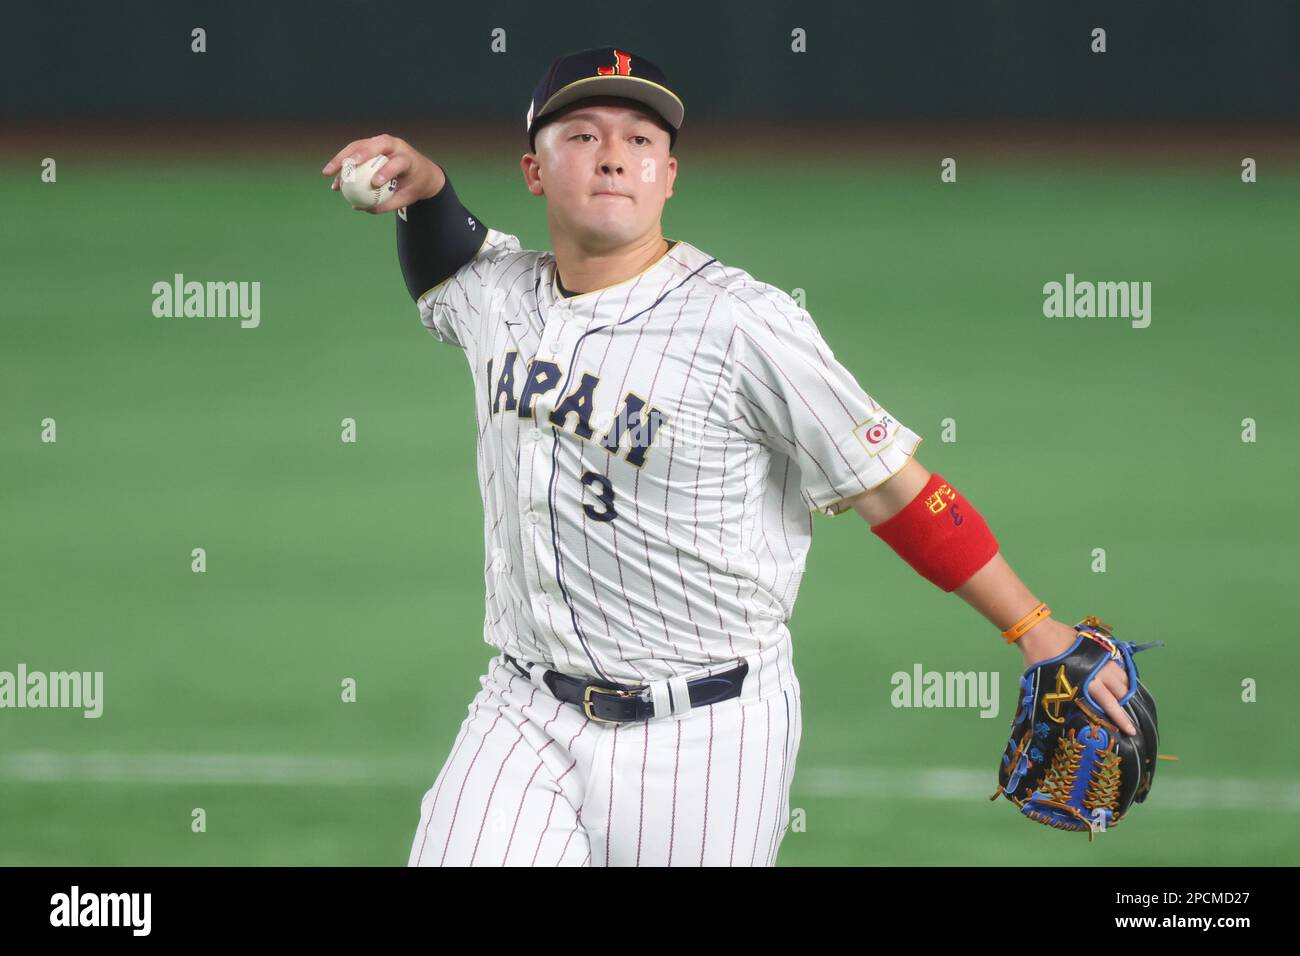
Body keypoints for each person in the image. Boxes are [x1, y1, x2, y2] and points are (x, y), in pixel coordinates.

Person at [321, 46, 1137, 867]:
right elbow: (447, 266)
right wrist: (425, 187)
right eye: (582, 135)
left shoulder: (745, 325)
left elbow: (892, 491)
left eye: (641, 140)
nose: (613, 154)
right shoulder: (501, 296)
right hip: (523, 707)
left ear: (668, 176)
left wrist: (1033, 628)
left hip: (709, 734)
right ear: (534, 170)